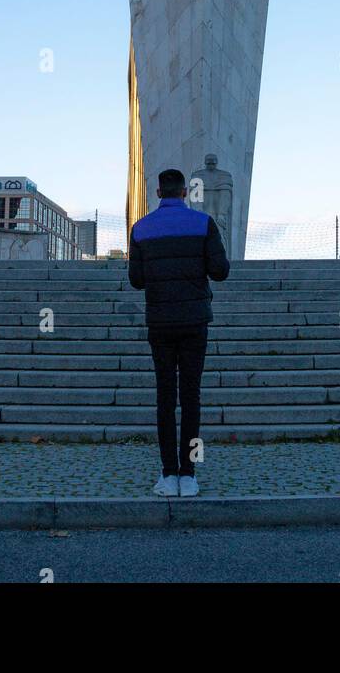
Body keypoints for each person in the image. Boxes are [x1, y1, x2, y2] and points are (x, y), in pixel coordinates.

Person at [128, 167, 230, 497]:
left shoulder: (140, 229)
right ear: (185, 192)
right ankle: (189, 475)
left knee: (164, 398)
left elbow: (136, 279)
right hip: (194, 322)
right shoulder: (203, 224)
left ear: (158, 193)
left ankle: (167, 475)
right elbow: (220, 271)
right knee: (191, 397)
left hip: (160, 323)